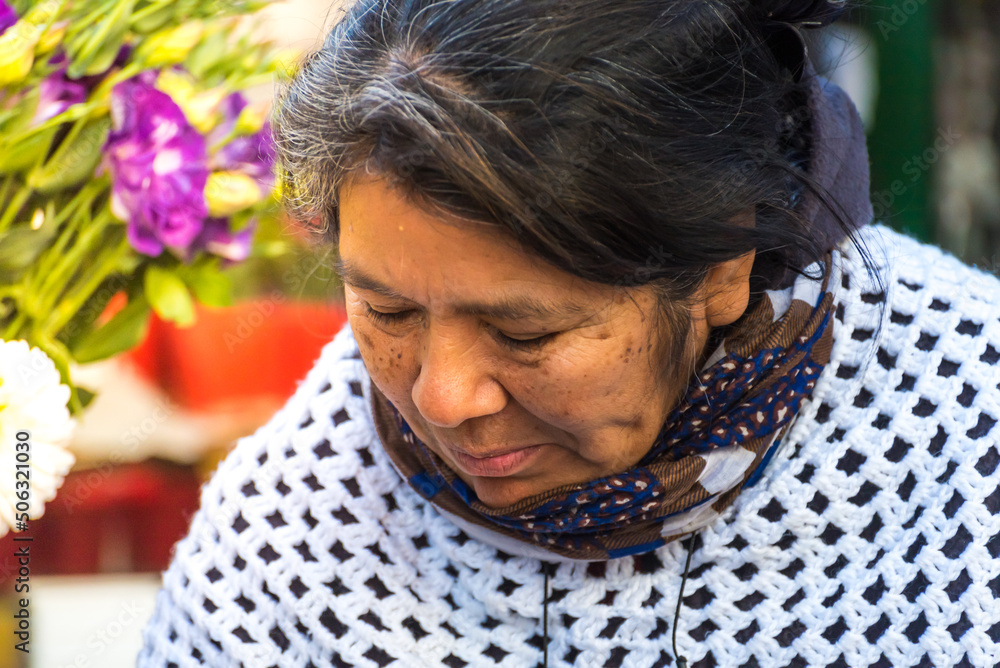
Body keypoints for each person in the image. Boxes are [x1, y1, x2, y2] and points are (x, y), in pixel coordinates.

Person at [137, 1, 1000, 666]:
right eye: (389, 313)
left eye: (524, 332)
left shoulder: (966, 435)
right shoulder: (297, 519)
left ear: (722, 271)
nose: (442, 400)